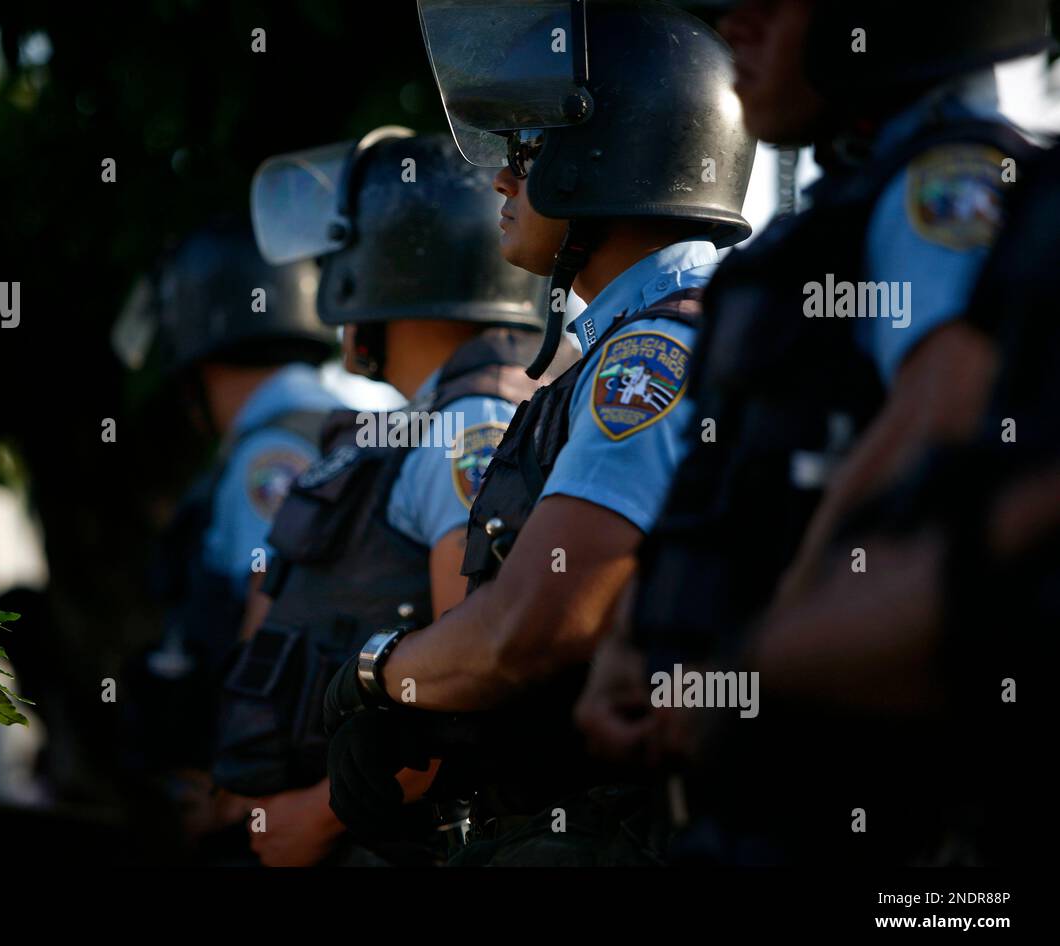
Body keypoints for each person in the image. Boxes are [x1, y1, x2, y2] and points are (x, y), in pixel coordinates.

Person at [574, 0, 1051, 863]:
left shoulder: (945, 185)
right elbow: (720, 477)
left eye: (774, 0)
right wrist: (632, 639)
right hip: (746, 774)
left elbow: (935, 419)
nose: (734, 21)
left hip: (861, 793)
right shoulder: (835, 211)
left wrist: (752, 663)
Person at [321, 0, 755, 864]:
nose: (500, 179)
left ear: (610, 152)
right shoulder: (670, 333)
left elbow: (535, 626)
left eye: (526, 147)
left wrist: (380, 675)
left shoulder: (656, 353)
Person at [211, 129, 554, 866]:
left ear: (387, 267)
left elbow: (473, 677)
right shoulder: (426, 418)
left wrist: (319, 815)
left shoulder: (469, 427)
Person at [113, 224, 346, 859]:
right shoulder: (339, 411)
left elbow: (266, 611)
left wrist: (236, 776)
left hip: (275, 801)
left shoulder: (268, 452)